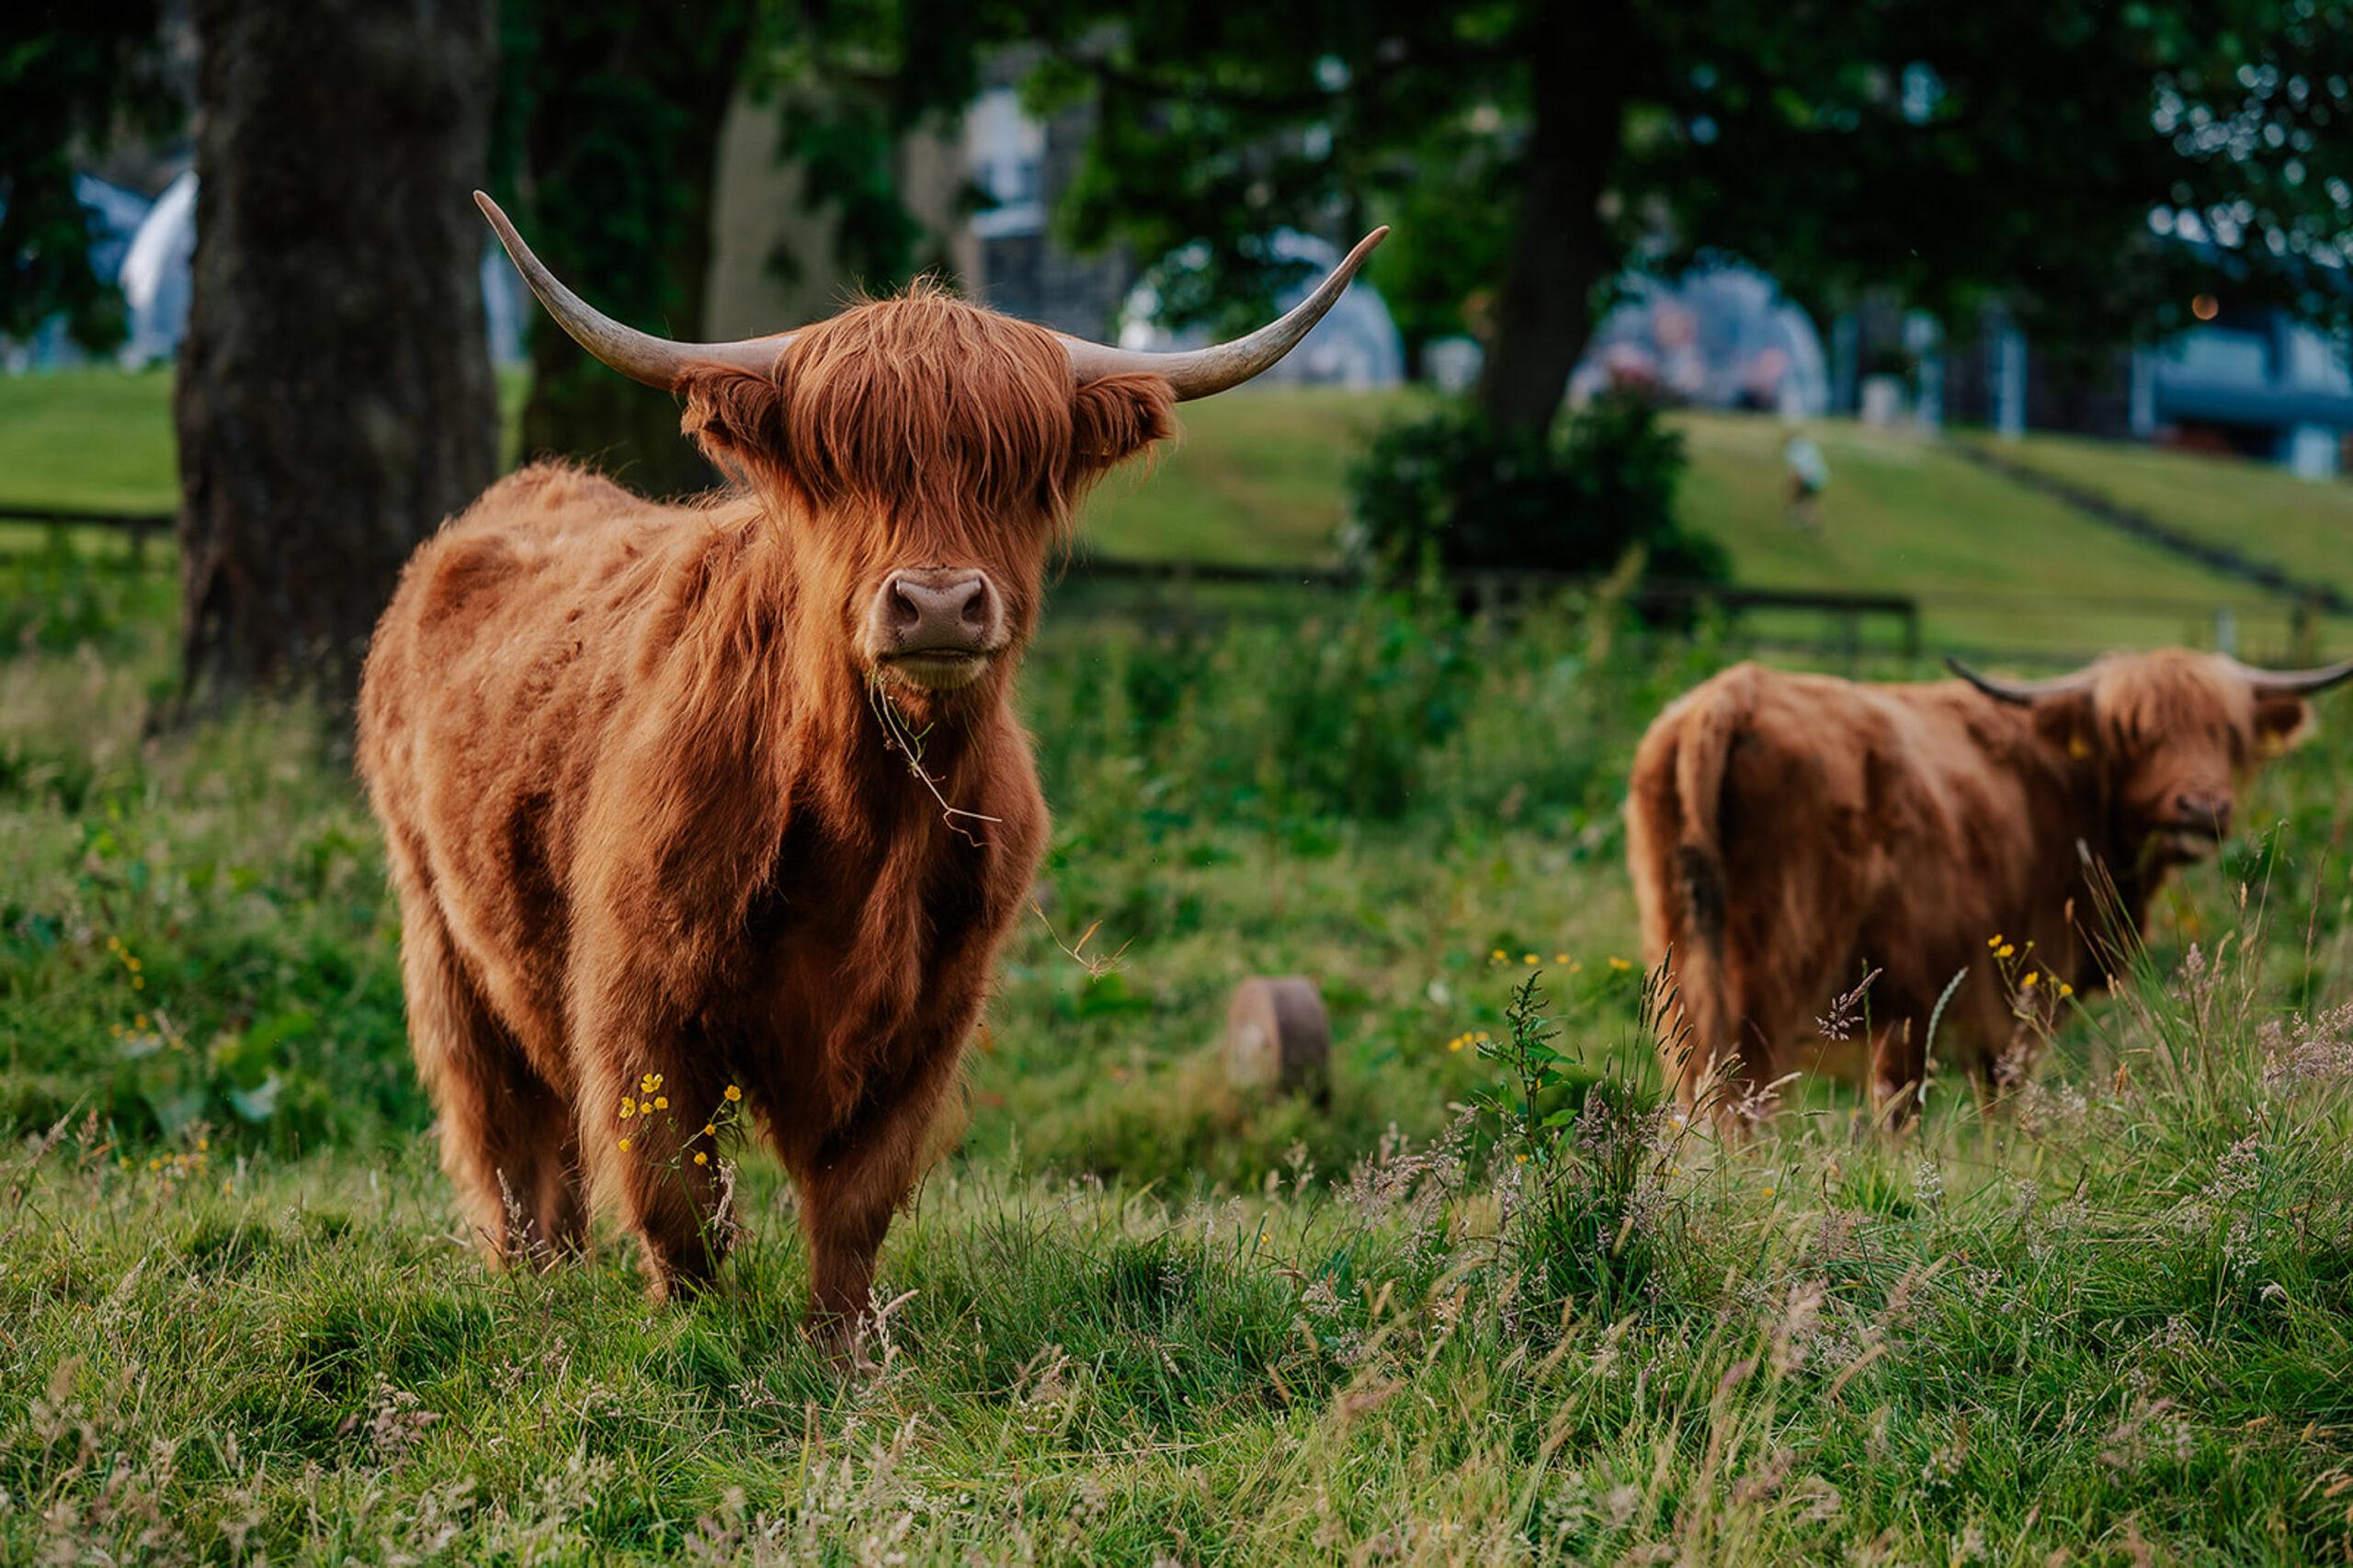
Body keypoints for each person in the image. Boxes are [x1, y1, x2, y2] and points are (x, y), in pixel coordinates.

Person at [1783, 431, 1829, 533]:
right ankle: (1810, 524)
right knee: (1807, 502)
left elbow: (1796, 472)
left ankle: (1813, 526)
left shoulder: (1792, 451)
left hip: (1809, 479)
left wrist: (1792, 485)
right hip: (1819, 478)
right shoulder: (1807, 445)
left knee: (1805, 503)